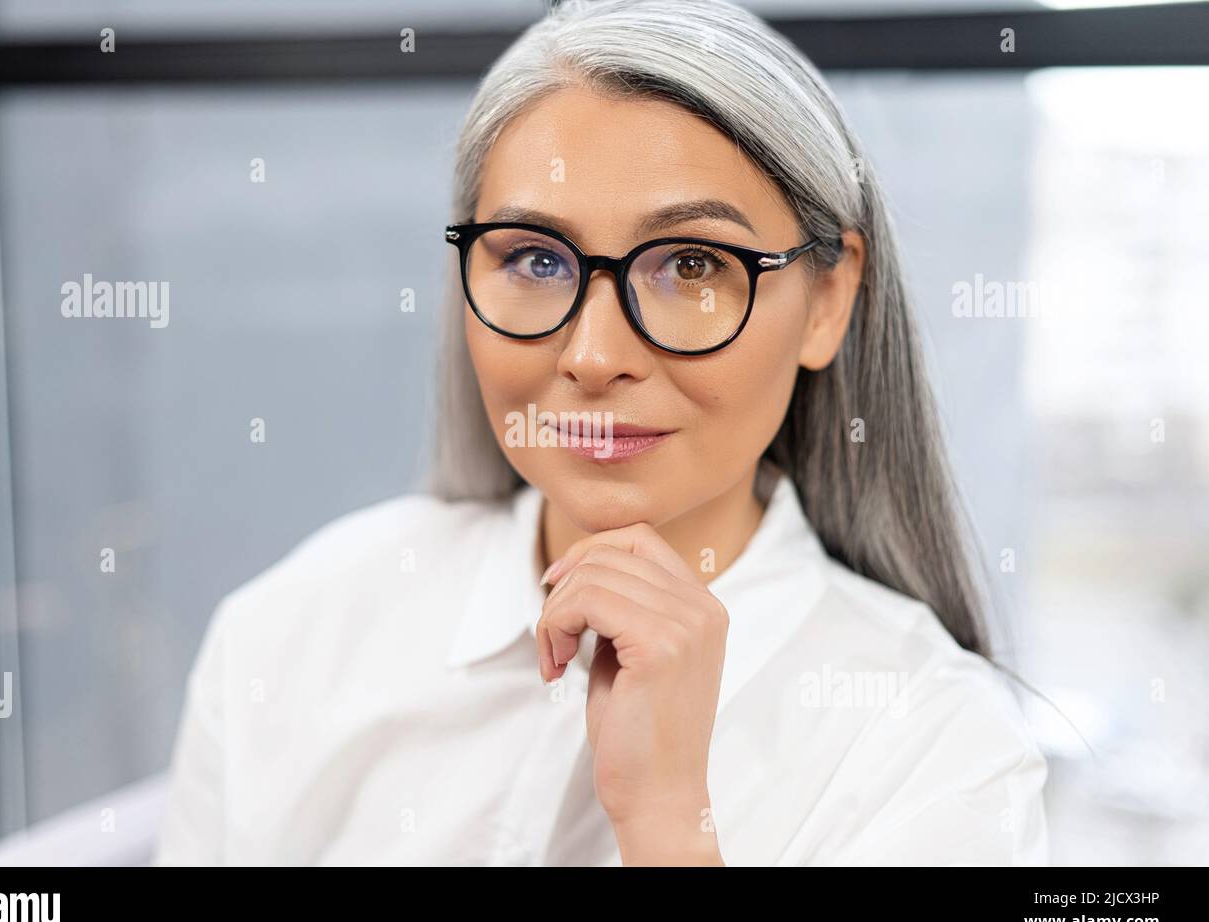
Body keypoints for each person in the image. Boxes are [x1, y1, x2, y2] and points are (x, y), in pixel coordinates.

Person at [155, 0, 1047, 866]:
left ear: (827, 299)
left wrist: (668, 824)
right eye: (536, 260)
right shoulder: (289, 634)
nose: (593, 354)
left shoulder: (937, 751)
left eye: (692, 264)